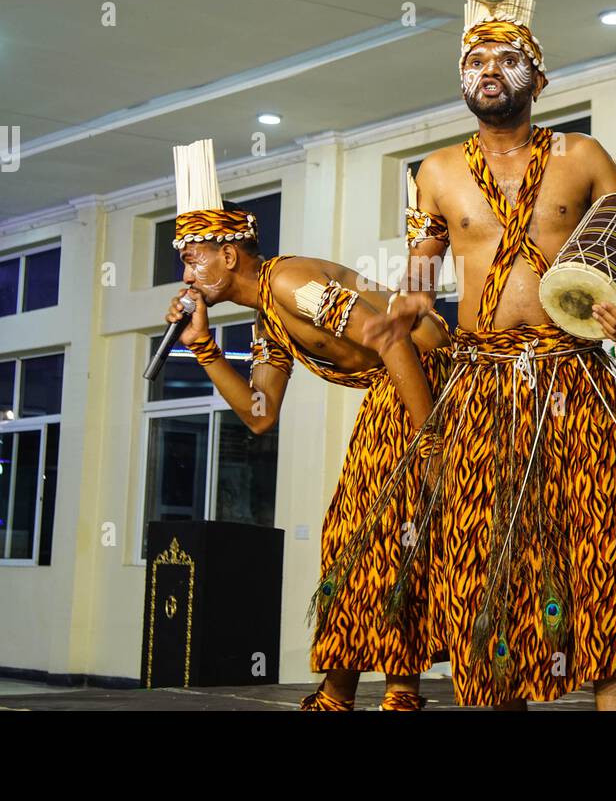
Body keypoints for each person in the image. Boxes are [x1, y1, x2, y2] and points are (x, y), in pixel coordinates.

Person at [362, 0, 616, 709]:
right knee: (484, 546)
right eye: (473, 62)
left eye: (504, 59)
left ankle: (609, 704)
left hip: (573, 371)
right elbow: (421, 288)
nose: (487, 72)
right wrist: (403, 313)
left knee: (591, 535)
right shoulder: (434, 172)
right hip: (481, 380)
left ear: (539, 75)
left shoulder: (584, 157)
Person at [160, 139, 449, 711]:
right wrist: (203, 348)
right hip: (402, 387)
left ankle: (360, 693)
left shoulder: (289, 283)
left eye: (194, 259)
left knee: (362, 534)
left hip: (428, 378)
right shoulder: (269, 318)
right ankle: (384, 689)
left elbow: (392, 339)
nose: (188, 274)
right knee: (376, 539)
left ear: (231, 253)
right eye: (185, 262)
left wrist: (430, 438)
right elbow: (260, 417)